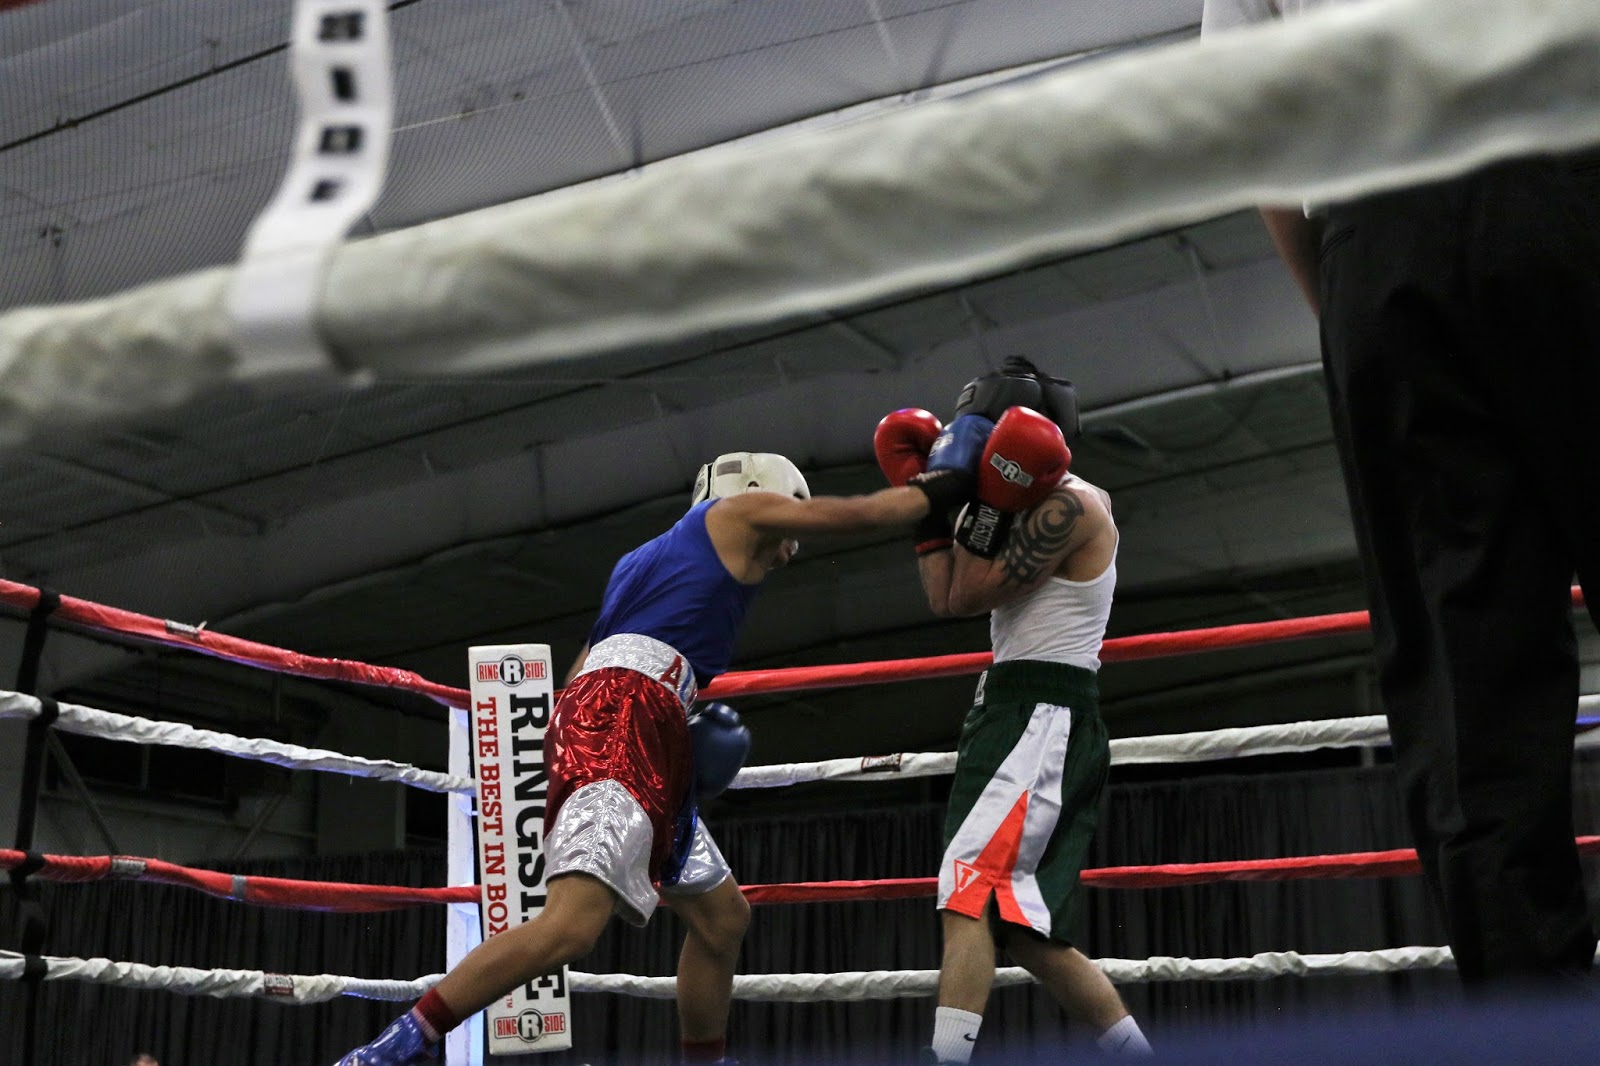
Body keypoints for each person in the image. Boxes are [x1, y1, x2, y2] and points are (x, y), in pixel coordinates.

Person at [333, 450, 977, 1065]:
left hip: (634, 717)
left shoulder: (642, 561)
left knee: (722, 919)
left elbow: (585, 669)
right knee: (571, 928)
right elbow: (858, 514)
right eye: (789, 525)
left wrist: (663, 736)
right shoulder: (734, 513)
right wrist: (944, 484)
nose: (791, 550)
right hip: (626, 719)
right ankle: (396, 1046)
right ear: (763, 494)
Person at [1203, 0, 1600, 986]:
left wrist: (1357, 294)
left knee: (1465, 684)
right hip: (1566, 166)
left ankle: (1534, 1036)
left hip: (1379, 232)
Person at [875, 357, 1152, 1061]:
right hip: (1014, 711)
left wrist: (985, 503)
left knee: (967, 892)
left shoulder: (1074, 506)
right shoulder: (1011, 500)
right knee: (1024, 930)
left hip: (1041, 711)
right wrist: (930, 506)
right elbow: (944, 598)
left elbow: (969, 594)